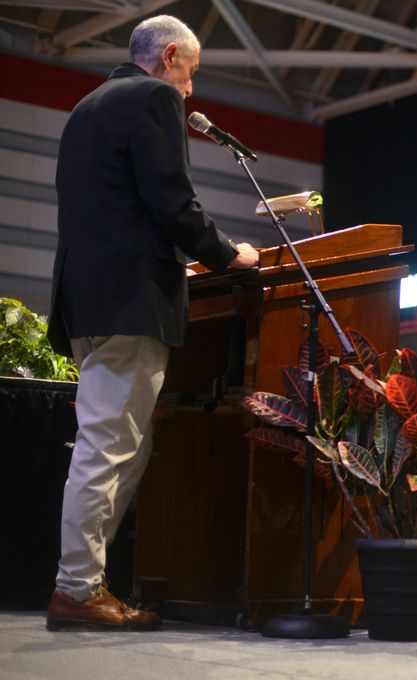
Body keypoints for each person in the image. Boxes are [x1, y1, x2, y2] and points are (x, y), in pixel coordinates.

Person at [45, 14, 259, 633]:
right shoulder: (155, 95)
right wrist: (226, 253)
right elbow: (171, 198)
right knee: (107, 448)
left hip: (86, 301)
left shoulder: (86, 106)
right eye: (191, 73)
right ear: (170, 57)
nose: (190, 91)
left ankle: (87, 583)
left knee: (114, 448)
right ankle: (78, 588)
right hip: (130, 300)